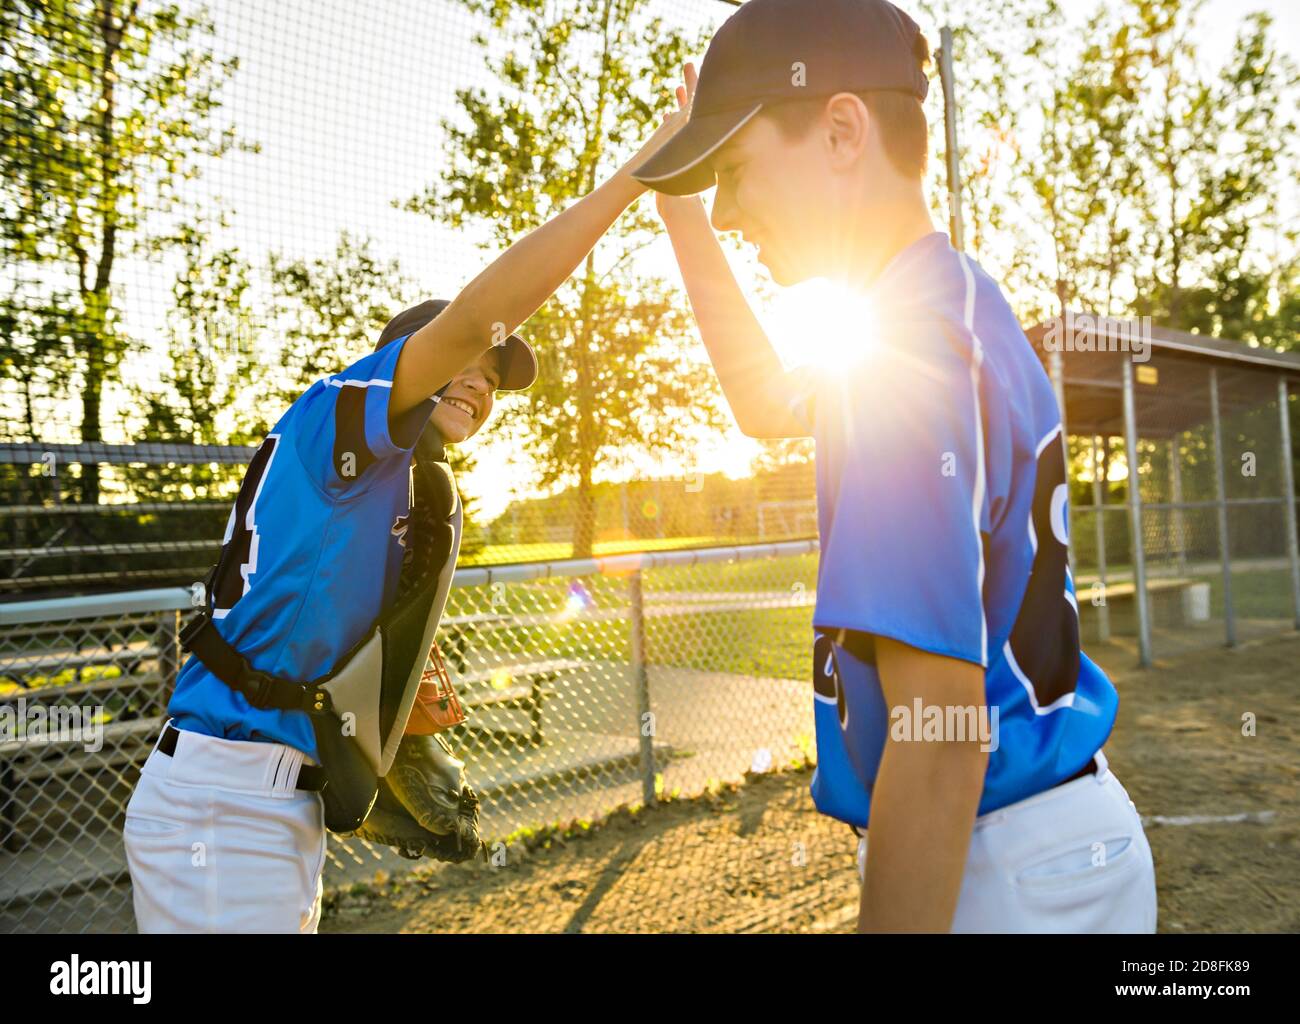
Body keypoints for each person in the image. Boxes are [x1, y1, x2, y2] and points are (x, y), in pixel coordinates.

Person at [633, 0, 1156, 933]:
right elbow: (762, 405)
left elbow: (941, 736)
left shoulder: (899, 351)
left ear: (840, 131)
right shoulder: (946, 306)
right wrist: (682, 221)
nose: (729, 207)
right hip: (1054, 840)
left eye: (738, 170)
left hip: (994, 852)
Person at [122, 93, 694, 933]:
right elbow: (478, 313)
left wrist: (387, 714)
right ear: (403, 364)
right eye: (467, 360)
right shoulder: (338, 416)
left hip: (271, 808)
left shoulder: (395, 492)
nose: (478, 379)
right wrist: (632, 181)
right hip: (224, 804)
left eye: (494, 381)